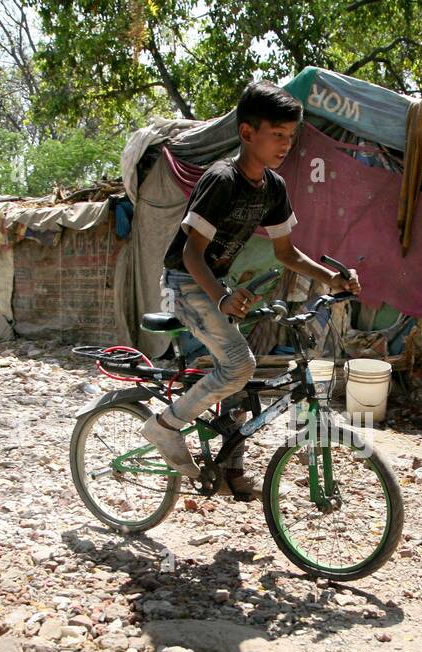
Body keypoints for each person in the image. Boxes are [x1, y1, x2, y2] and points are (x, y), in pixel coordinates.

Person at [144, 80, 361, 500]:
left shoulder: (274, 188)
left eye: (290, 136)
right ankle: (165, 426)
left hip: (215, 285)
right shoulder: (222, 179)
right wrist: (223, 296)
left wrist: (332, 278)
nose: (285, 144)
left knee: (243, 379)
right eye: (277, 135)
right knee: (240, 365)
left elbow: (288, 253)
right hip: (184, 281)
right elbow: (191, 254)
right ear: (247, 133)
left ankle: (231, 467)